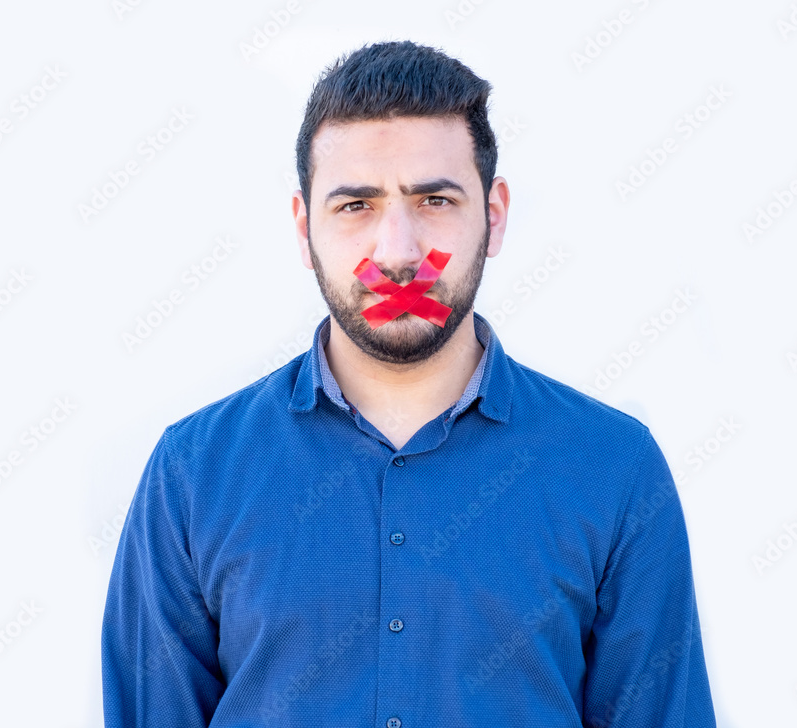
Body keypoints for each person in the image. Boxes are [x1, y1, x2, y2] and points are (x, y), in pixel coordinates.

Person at [101, 39, 716, 727]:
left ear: (496, 214)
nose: (398, 252)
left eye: (434, 200)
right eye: (356, 206)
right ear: (305, 229)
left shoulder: (614, 468)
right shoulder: (192, 474)